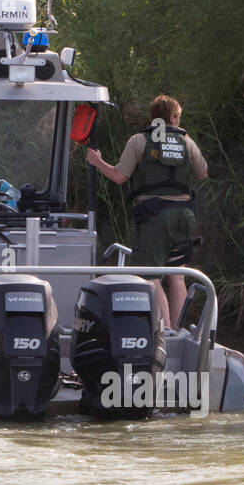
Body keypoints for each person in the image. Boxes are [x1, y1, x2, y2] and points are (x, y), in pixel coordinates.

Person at [85, 95, 207, 329]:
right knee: (177, 277)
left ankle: (165, 330)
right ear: (171, 117)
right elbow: (202, 173)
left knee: (151, 277)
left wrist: (98, 161)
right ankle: (178, 330)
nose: (180, 121)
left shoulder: (139, 141)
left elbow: (119, 177)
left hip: (154, 217)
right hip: (183, 215)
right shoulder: (186, 141)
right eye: (178, 117)